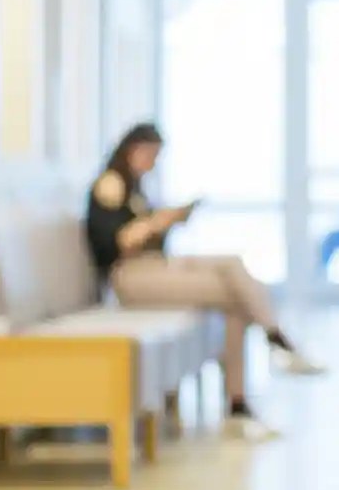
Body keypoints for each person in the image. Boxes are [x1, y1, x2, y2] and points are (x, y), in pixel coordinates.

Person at [85, 122, 326, 441]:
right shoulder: (110, 184)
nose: (153, 163)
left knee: (232, 265)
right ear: (134, 149)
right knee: (234, 296)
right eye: (151, 155)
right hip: (131, 278)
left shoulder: (137, 186)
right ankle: (272, 352)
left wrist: (172, 220)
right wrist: (158, 221)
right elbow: (117, 243)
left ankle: (256, 376)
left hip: (155, 268)